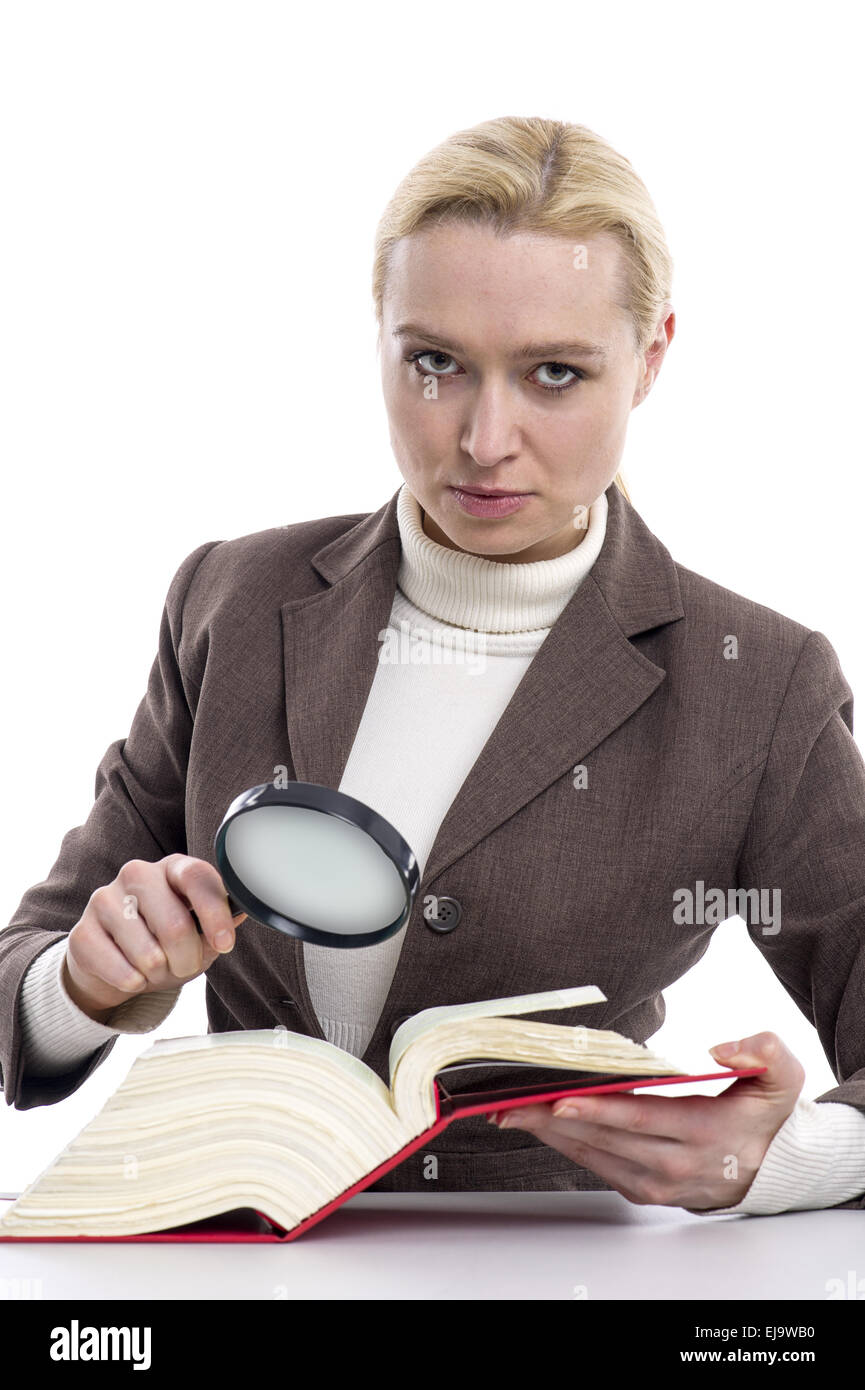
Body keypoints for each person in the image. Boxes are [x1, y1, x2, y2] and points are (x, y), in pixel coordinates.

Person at [3, 116, 864, 1215]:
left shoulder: (758, 685)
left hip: (557, 1280)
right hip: (241, 1259)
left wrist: (788, 1160)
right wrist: (84, 980)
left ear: (650, 360)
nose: (484, 437)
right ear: (379, 338)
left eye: (555, 373)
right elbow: (22, 981)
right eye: (435, 363)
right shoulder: (232, 598)